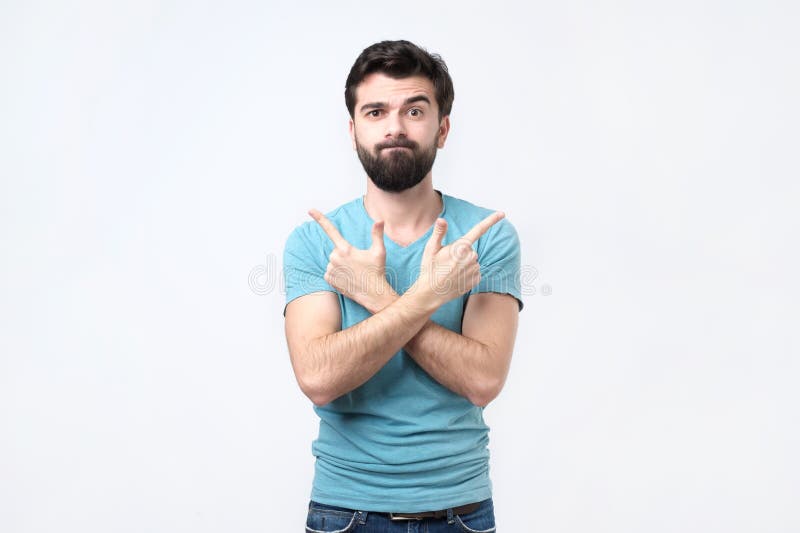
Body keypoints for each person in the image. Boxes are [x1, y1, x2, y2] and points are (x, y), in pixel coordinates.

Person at [282, 39, 522, 532]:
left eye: (414, 110)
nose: (394, 127)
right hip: (345, 512)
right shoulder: (316, 242)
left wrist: (378, 295)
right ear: (353, 131)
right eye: (375, 112)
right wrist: (427, 297)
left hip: (461, 512)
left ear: (443, 127)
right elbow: (319, 379)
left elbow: (482, 381)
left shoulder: (486, 237)